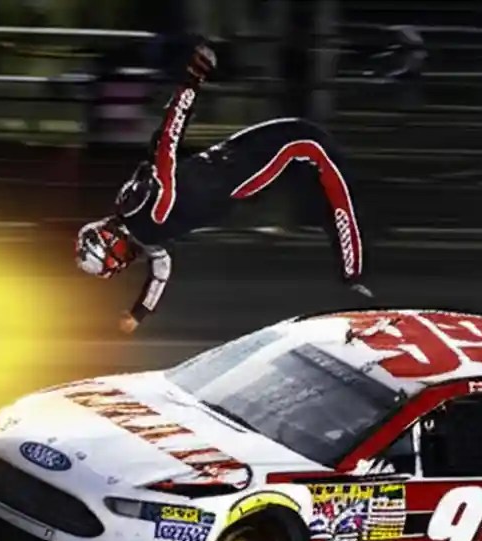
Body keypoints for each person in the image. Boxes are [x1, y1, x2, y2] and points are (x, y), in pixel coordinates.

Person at [75, 42, 373, 334]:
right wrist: (192, 79)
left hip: (237, 166)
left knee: (317, 153)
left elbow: (161, 269)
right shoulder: (147, 221)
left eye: (114, 264)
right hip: (236, 163)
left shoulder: (149, 221)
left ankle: (352, 272)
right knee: (316, 149)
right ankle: (351, 273)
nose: (121, 265)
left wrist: (138, 314)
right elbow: (165, 143)